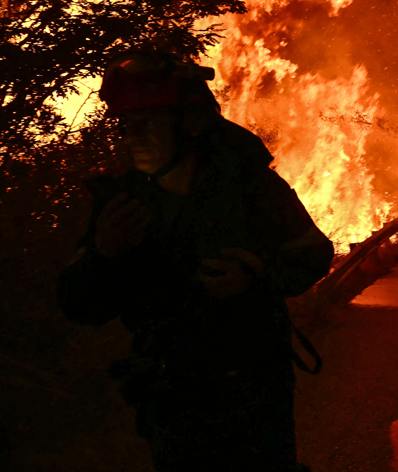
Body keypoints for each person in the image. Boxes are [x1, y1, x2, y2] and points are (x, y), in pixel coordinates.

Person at [57, 49, 334, 471]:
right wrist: (103, 253)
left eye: (147, 124)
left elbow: (313, 253)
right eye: (126, 126)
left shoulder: (250, 187)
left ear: (190, 124)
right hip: (171, 399)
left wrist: (256, 275)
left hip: (254, 390)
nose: (132, 138)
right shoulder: (122, 205)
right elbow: (78, 305)